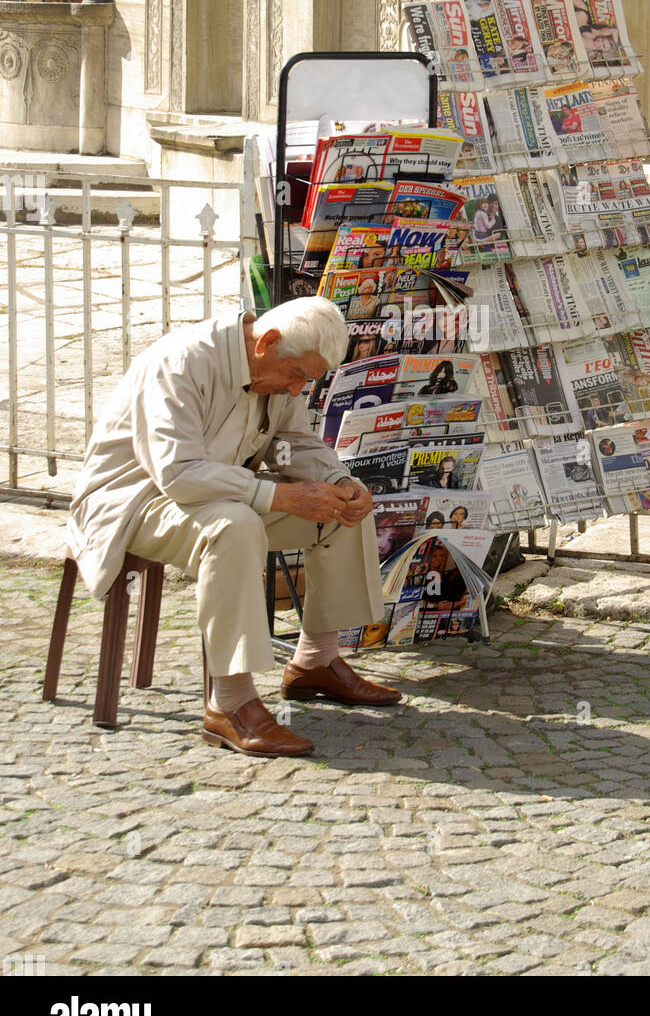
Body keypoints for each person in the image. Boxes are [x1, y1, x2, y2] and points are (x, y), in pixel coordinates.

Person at [66, 298, 401, 760]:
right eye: (297, 375)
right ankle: (230, 703)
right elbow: (178, 474)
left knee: (340, 509)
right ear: (266, 342)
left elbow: (294, 443)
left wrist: (338, 481)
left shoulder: (278, 367)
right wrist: (280, 497)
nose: (297, 388)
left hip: (221, 493)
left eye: (307, 379)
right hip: (135, 501)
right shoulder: (180, 363)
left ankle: (316, 660)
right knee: (236, 525)